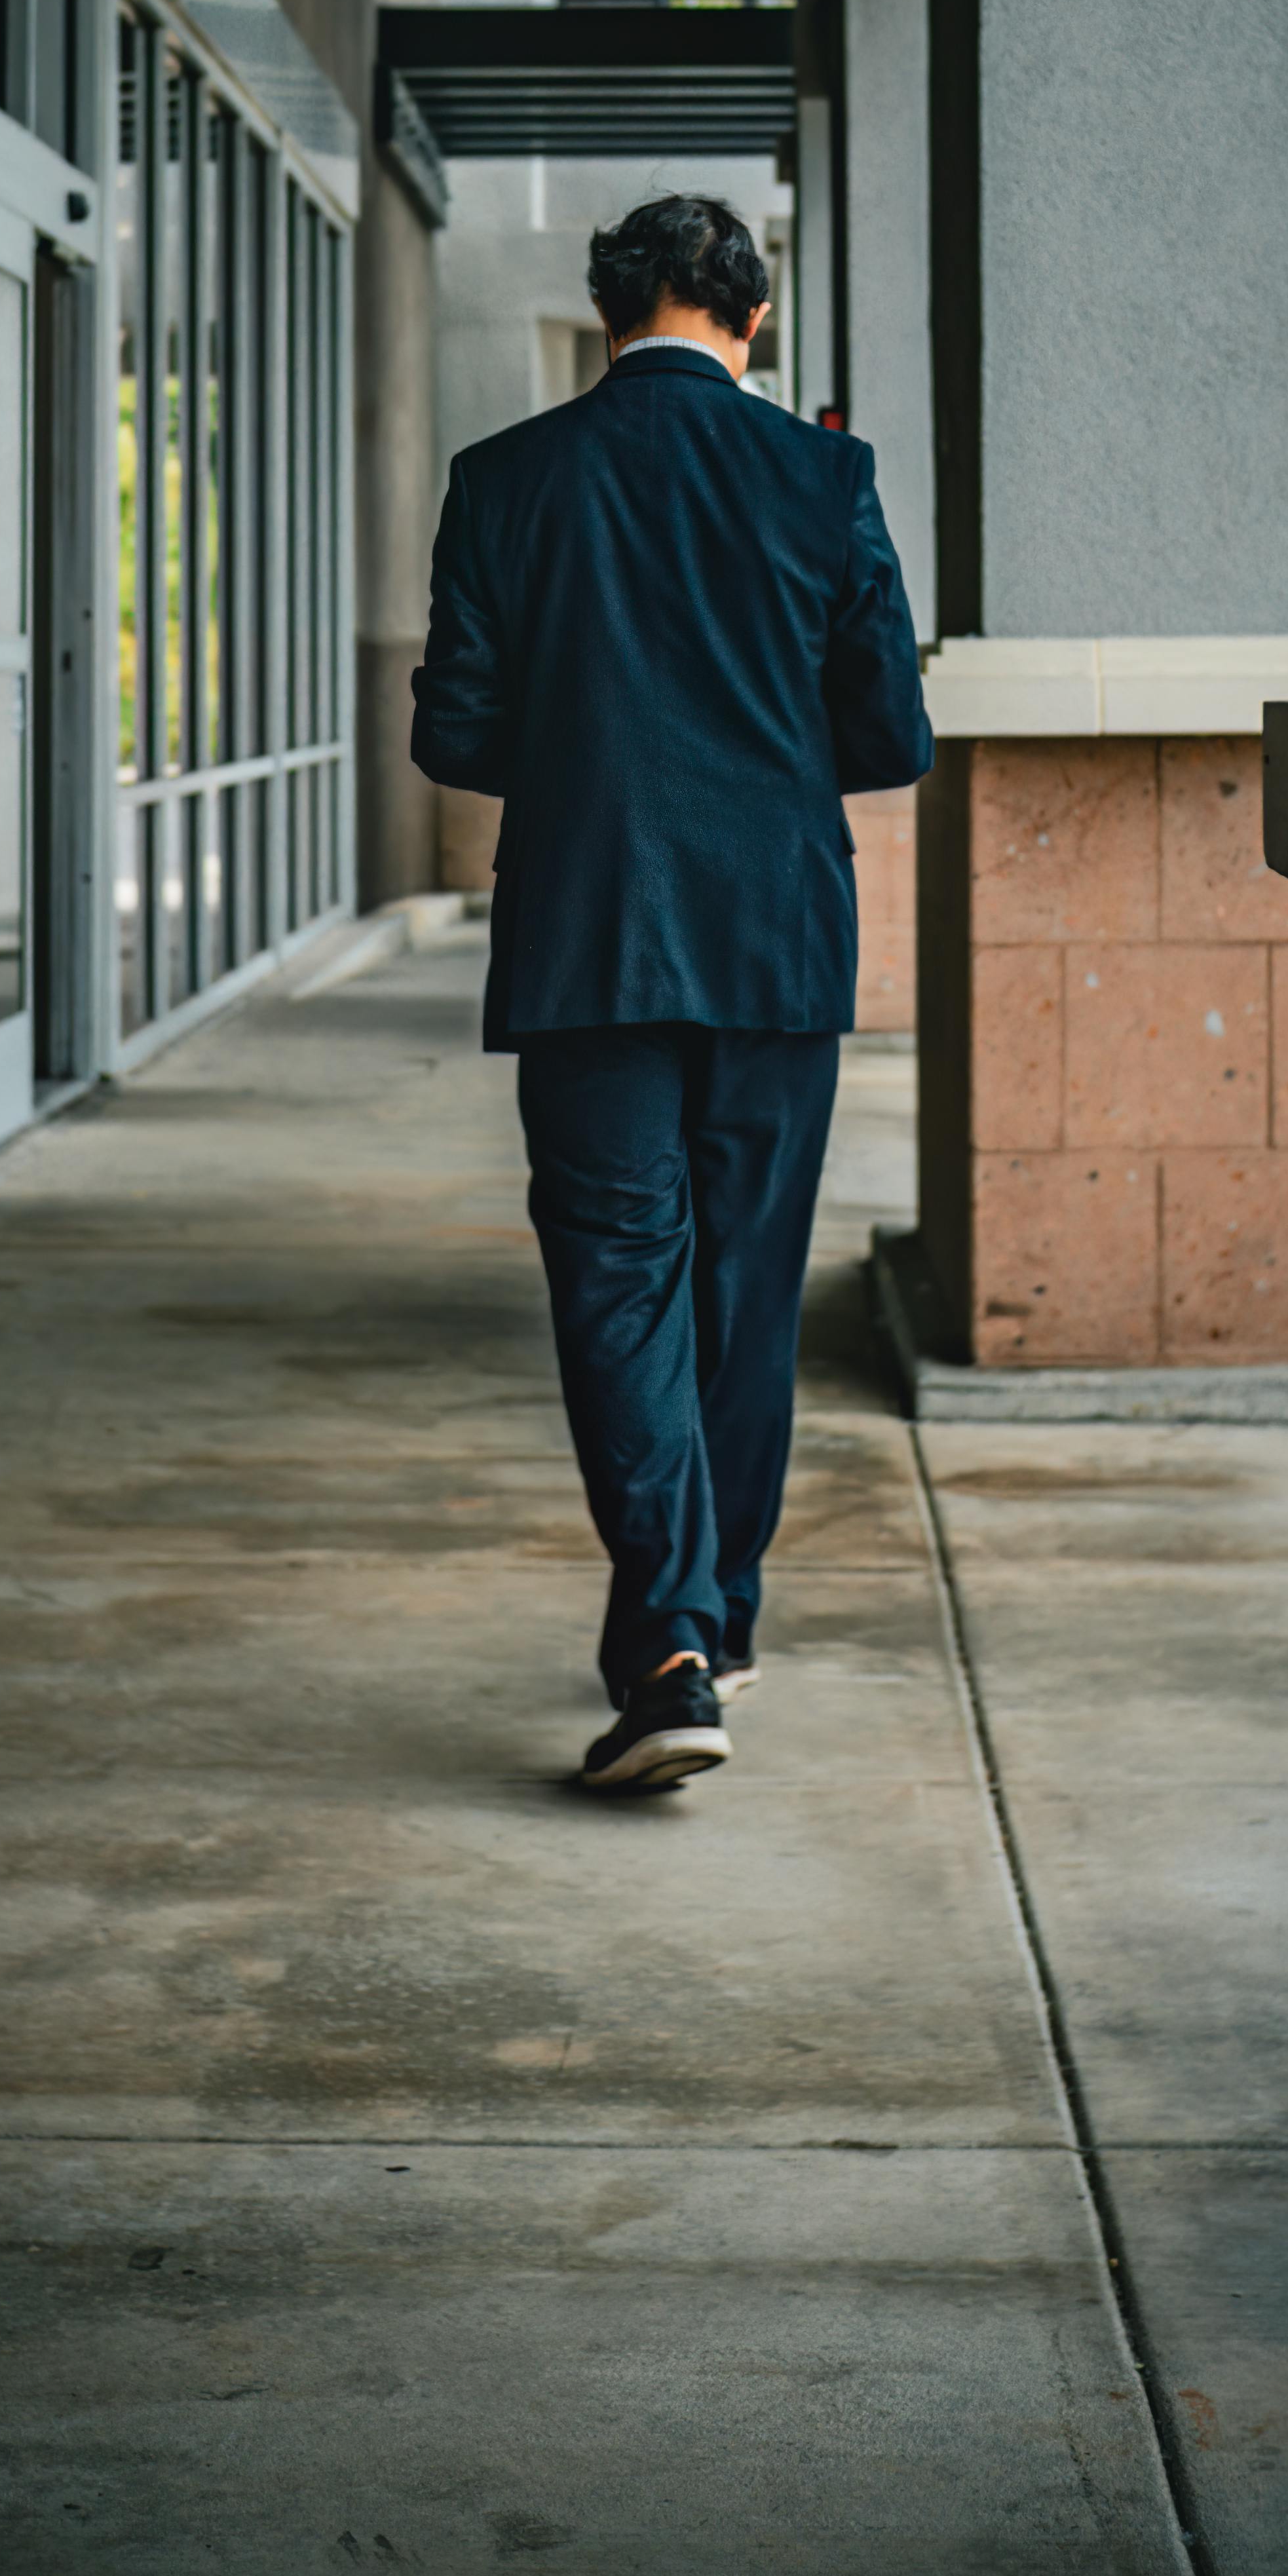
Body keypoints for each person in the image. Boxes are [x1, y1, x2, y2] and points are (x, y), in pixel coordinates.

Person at [411, 191, 934, 1792]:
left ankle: (669, 1644)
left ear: (607, 306)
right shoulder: (824, 478)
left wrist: (588, 751)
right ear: (752, 318)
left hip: (586, 943)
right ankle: (722, 1615)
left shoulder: (504, 481)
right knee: (746, 1290)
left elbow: (454, 732)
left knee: (621, 1286)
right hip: (774, 937)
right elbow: (894, 738)